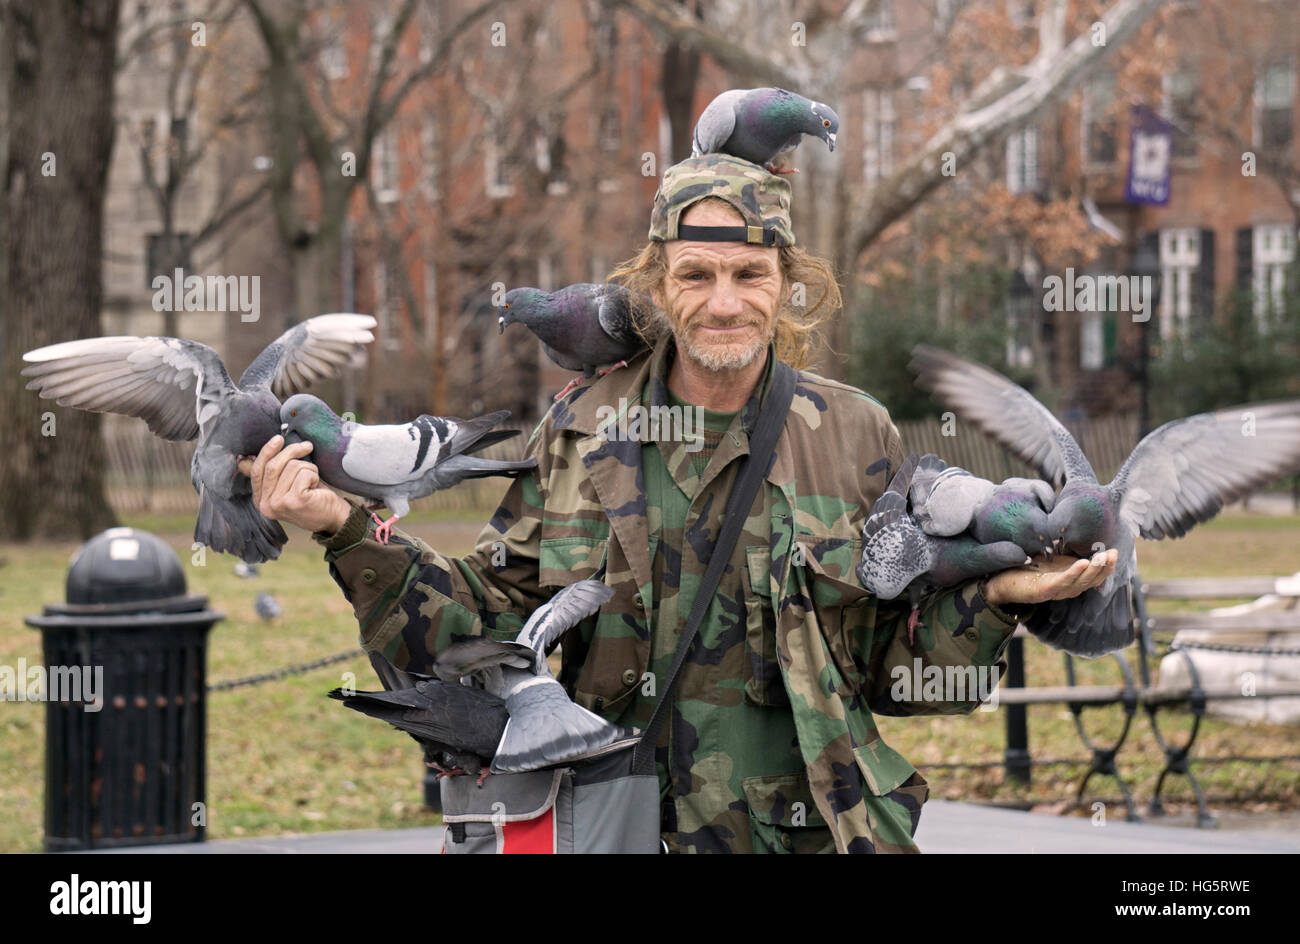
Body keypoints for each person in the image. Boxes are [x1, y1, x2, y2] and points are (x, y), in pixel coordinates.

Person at [238, 153, 1118, 854]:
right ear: (658, 285)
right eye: (697, 274)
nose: (725, 303)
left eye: (749, 272)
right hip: (617, 830)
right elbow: (476, 624)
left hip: (812, 834)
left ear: (787, 280)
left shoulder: (854, 433)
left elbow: (895, 671)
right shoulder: (583, 424)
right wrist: (344, 526)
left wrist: (996, 600)